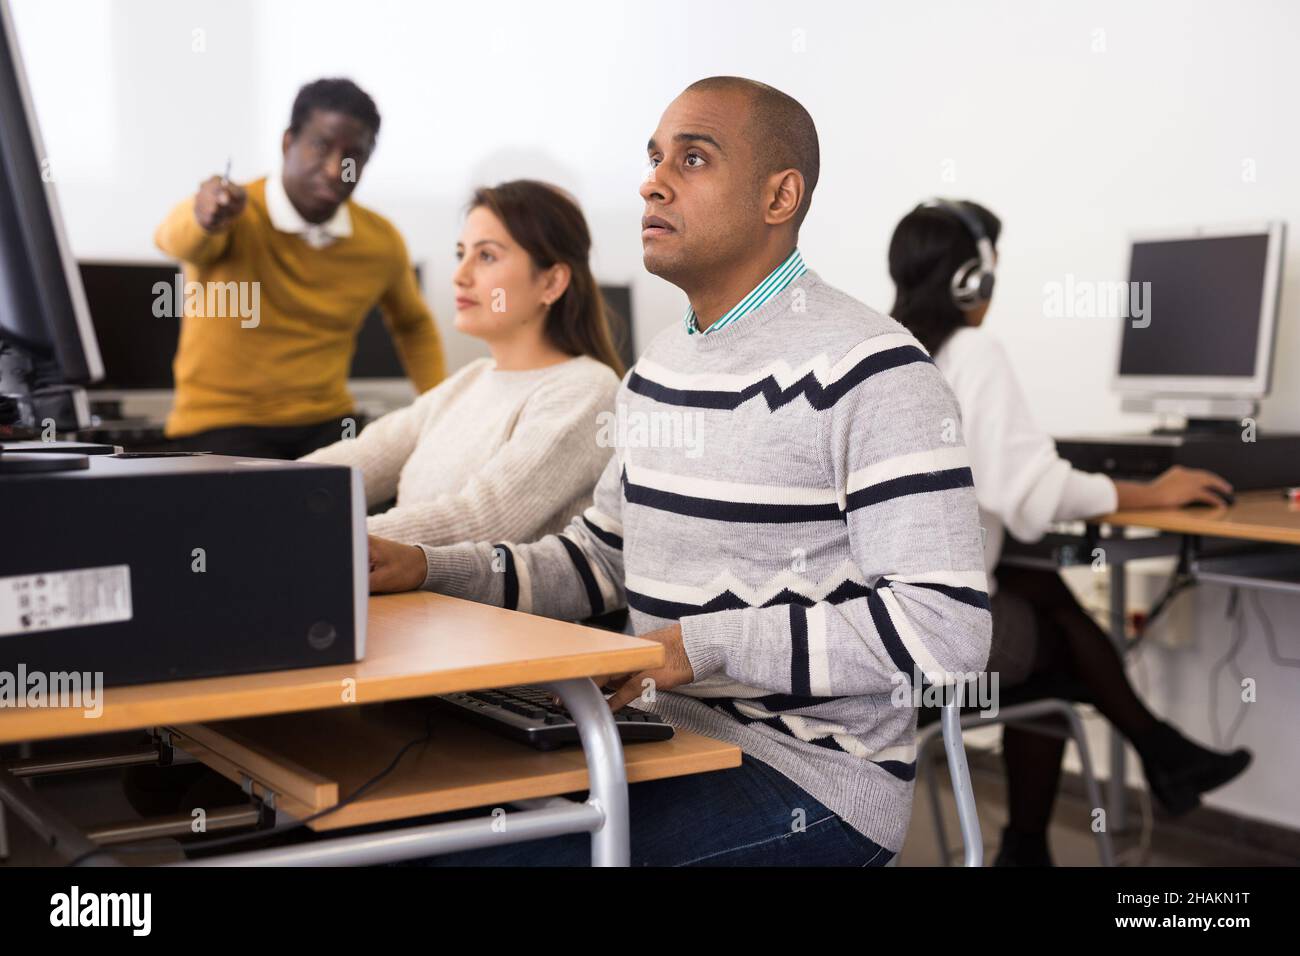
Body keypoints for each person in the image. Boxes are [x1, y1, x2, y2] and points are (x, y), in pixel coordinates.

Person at [368, 77, 991, 866]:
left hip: (810, 781)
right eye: (655, 157)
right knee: (393, 828)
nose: (652, 181)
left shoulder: (878, 372)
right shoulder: (657, 369)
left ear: (779, 196)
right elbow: (601, 561)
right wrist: (428, 566)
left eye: (692, 159)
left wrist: (703, 647)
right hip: (659, 734)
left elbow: (948, 634)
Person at [889, 199, 1253, 866]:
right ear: (976, 279)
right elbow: (1031, 494)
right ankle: (1058, 826)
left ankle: (1157, 761)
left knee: (1036, 582)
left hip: (874, 635)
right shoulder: (972, 351)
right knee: (1058, 658)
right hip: (926, 651)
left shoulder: (884, 350)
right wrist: (1153, 489)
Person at [304, 180, 623, 545]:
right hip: (417, 601)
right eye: (461, 254)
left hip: (484, 605)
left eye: (486, 256)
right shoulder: (471, 380)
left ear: (551, 282)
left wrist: (314, 535)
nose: (460, 275)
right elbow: (351, 463)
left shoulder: (586, 390)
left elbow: (481, 521)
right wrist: (252, 492)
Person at [154, 77, 445, 459]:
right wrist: (206, 216)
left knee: (387, 500)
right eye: (321, 146)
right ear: (288, 142)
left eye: (352, 156)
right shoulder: (236, 212)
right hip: (221, 425)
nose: (333, 169)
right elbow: (173, 239)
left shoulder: (380, 239)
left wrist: (443, 414)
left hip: (329, 423)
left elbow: (413, 325)